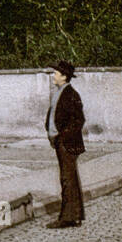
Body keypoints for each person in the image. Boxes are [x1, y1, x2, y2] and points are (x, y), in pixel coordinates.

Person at [44, 60, 85, 228]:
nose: (53, 75)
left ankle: (67, 218)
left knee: (67, 179)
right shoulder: (60, 92)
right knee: (69, 178)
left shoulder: (70, 94)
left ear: (64, 76)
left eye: (56, 73)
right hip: (60, 142)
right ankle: (74, 215)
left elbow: (79, 120)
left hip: (67, 144)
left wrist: (62, 136)